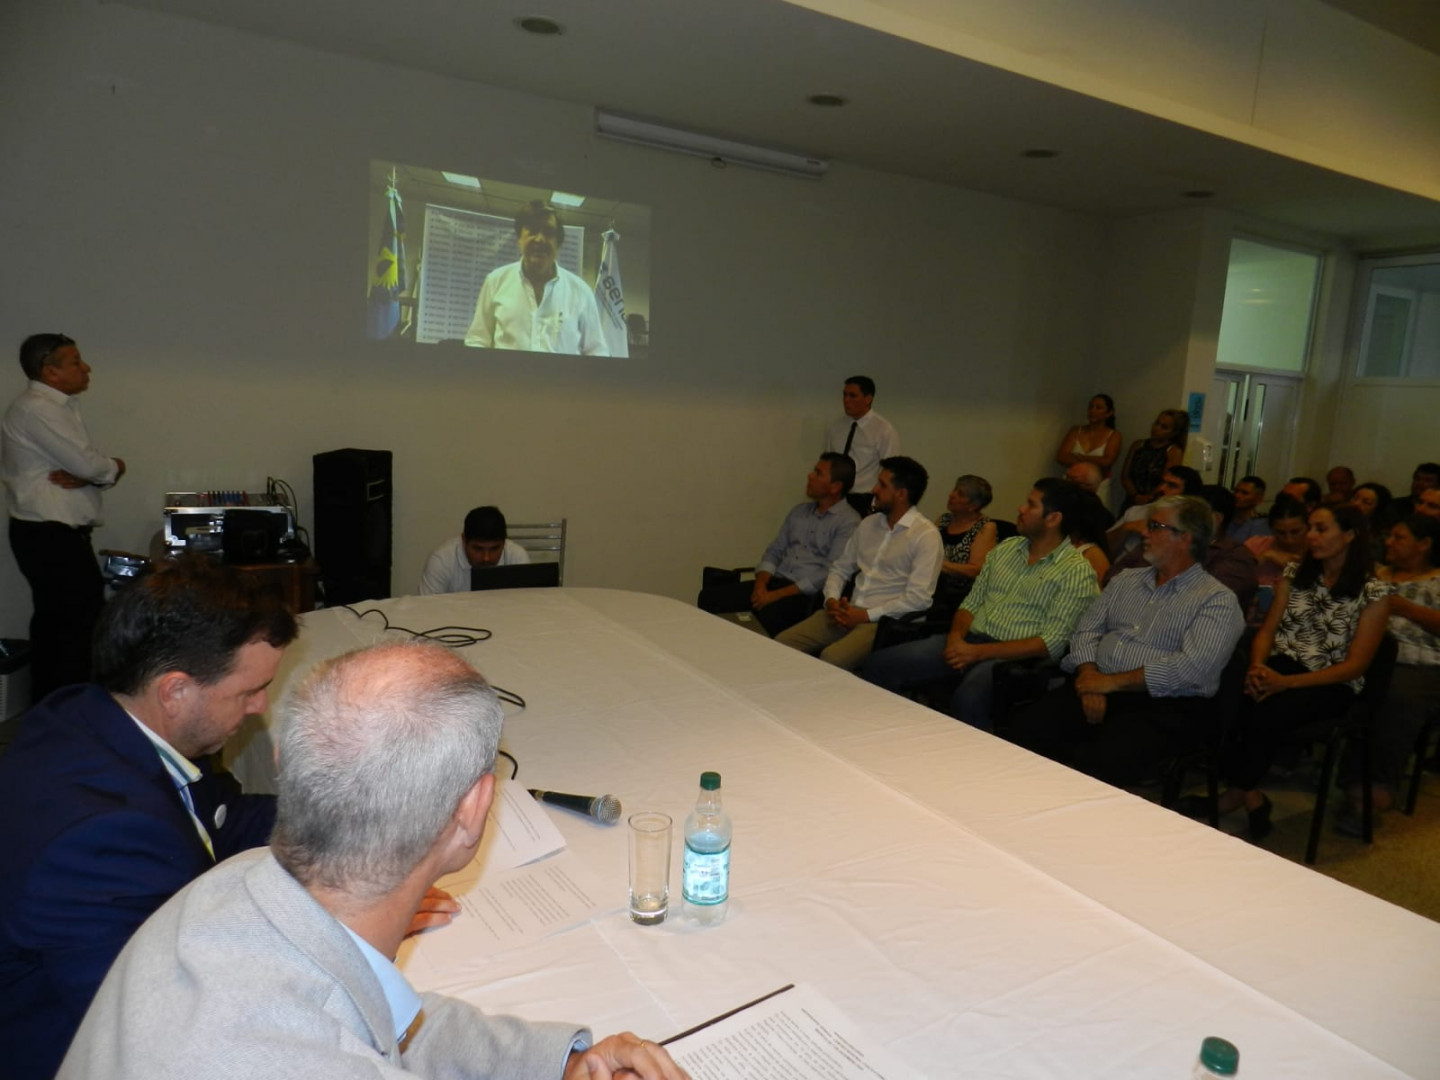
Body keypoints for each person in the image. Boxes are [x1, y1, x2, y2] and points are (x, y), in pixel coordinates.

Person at [58, 642, 688, 1080]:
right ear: (473, 810)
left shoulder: (231, 884)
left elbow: (383, 1019)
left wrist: (559, 1063)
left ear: (286, 765)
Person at [0, 559, 298, 1080]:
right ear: (174, 690)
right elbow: (162, 1028)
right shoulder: (96, 839)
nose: (259, 707)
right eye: (248, 690)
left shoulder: (94, 716)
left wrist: (350, 833)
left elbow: (222, 822)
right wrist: (354, 914)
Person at [1006, 496, 1245, 785]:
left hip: (1163, 704)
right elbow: (1085, 632)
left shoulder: (1216, 600)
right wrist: (1091, 677)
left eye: (1155, 526)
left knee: (1099, 764)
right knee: (1020, 733)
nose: (1144, 533)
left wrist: (1112, 683)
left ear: (1185, 538)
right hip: (1095, 684)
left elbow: (1193, 669)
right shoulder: (1126, 580)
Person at [1210, 504, 1390, 841]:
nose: (1310, 536)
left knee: (1267, 709)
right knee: (1230, 689)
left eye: (1321, 529)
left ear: (1349, 535)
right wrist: (1257, 666)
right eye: (1311, 528)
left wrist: (1285, 683)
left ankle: (1236, 794)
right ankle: (1250, 796)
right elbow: (1267, 630)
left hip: (1332, 681)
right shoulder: (1295, 574)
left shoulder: (1373, 592)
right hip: (1283, 666)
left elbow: (1356, 666)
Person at [858, 479, 1098, 728]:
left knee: (969, 698)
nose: (1020, 509)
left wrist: (977, 653)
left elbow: (1050, 644)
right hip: (968, 640)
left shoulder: (1076, 571)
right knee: (880, 664)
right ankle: (885, 735)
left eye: (1031, 504)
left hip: (1012, 659)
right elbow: (970, 603)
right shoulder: (1007, 548)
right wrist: (955, 639)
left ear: (1053, 518)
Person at [2, 333, 125, 698]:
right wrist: (114, 466)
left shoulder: (56, 407)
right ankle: (66, 711)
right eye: (74, 361)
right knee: (74, 630)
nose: (85, 368)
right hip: (48, 534)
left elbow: (86, 470)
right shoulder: (37, 409)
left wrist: (94, 473)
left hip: (53, 534)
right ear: (50, 371)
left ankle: (58, 708)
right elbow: (89, 464)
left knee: (64, 627)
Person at [776, 456, 941, 670]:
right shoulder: (869, 524)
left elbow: (918, 599)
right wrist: (832, 601)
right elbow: (840, 568)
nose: (874, 489)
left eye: (882, 485)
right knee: (781, 643)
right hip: (846, 612)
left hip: (884, 622)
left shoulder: (925, 535)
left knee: (831, 659)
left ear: (901, 494)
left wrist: (865, 615)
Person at [1336, 514, 1440, 835]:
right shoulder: (1377, 574)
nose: (1389, 544)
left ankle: (1371, 789)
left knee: (1393, 698)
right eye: (1389, 537)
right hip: (1363, 655)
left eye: (1399, 538)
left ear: (1423, 545)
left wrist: (1403, 606)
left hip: (1417, 663)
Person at [696, 453, 860, 636]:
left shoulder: (849, 522)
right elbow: (774, 551)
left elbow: (827, 573)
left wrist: (774, 596)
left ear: (835, 487)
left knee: (764, 617)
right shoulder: (799, 512)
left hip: (803, 595)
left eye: (818, 473)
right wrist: (760, 587)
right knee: (710, 597)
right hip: (773, 583)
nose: (810, 476)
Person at [464, 200, 608, 355]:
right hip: (505, 379)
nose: (540, 239)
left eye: (548, 232)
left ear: (558, 243)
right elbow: (477, 341)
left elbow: (597, 352)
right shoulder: (495, 282)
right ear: (519, 239)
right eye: (532, 231)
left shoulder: (581, 292)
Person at [1103, 484, 1258, 610]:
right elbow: (1111, 579)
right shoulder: (1161, 540)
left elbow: (1201, 604)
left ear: (1215, 520)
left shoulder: (1234, 557)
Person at [824, 375, 899, 516]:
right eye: (845, 395)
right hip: (835, 496)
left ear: (868, 399)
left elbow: (889, 470)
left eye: (853, 396)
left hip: (864, 499)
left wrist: (876, 504)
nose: (846, 400)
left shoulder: (883, 430)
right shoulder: (835, 427)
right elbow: (828, 464)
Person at [420, 505, 530, 594]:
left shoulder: (517, 557)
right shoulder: (442, 560)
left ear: (504, 543)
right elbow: (426, 611)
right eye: (478, 549)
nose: (486, 558)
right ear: (464, 540)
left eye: (494, 549)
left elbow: (525, 607)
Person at [932, 473, 999, 613]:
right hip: (932, 586)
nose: (952, 495)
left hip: (959, 597)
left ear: (973, 506)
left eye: (960, 494)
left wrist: (937, 564)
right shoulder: (943, 520)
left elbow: (975, 570)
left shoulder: (985, 528)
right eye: (954, 489)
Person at [1108, 465, 1202, 558]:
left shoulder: (1191, 524)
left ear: (1187, 496)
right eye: (1161, 482)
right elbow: (1104, 550)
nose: (1162, 488)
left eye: (1171, 486)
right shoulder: (1135, 511)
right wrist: (1126, 528)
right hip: (1120, 569)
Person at [1242, 496, 1309, 626]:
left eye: (1295, 532)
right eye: (1281, 533)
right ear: (1271, 529)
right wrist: (1266, 556)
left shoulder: (1317, 550)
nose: (1289, 539)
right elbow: (1234, 578)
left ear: (1307, 527)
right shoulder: (1255, 545)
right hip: (1252, 621)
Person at [1054, 394, 1121, 507]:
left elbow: (1107, 461)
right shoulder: (1076, 430)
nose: (1092, 410)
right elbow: (1061, 457)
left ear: (1109, 413)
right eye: (1091, 406)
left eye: (1098, 408)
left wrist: (1079, 457)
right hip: (1071, 483)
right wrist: (1094, 461)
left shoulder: (1114, 435)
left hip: (1098, 486)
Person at [1118, 408, 1187, 510]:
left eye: (1164, 427)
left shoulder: (1173, 451)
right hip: (1132, 499)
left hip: (1155, 502)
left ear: (1173, 432)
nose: (1156, 428)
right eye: (1156, 423)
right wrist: (1136, 496)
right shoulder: (1138, 445)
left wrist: (1148, 497)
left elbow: (1166, 481)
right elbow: (1125, 476)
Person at [1226, 475, 1270, 543]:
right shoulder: (1226, 519)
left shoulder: (1260, 525)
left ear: (1259, 499)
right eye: (1236, 491)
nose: (1237, 495)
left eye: (1245, 493)